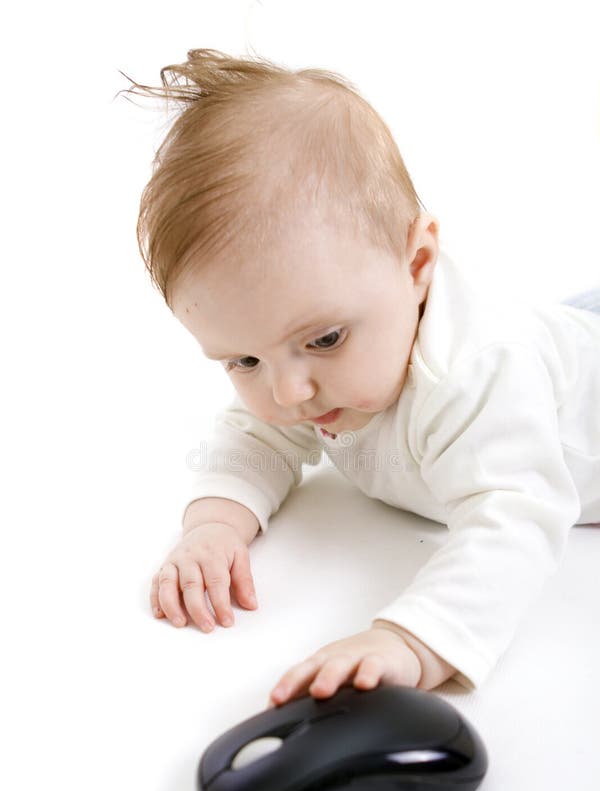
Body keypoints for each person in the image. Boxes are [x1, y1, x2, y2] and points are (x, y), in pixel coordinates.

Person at [123, 48, 600, 707]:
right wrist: (215, 525)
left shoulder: (475, 373)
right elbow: (256, 435)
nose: (288, 392)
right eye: (244, 362)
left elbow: (516, 516)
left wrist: (410, 640)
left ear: (417, 264)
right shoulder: (311, 369)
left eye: (324, 339)